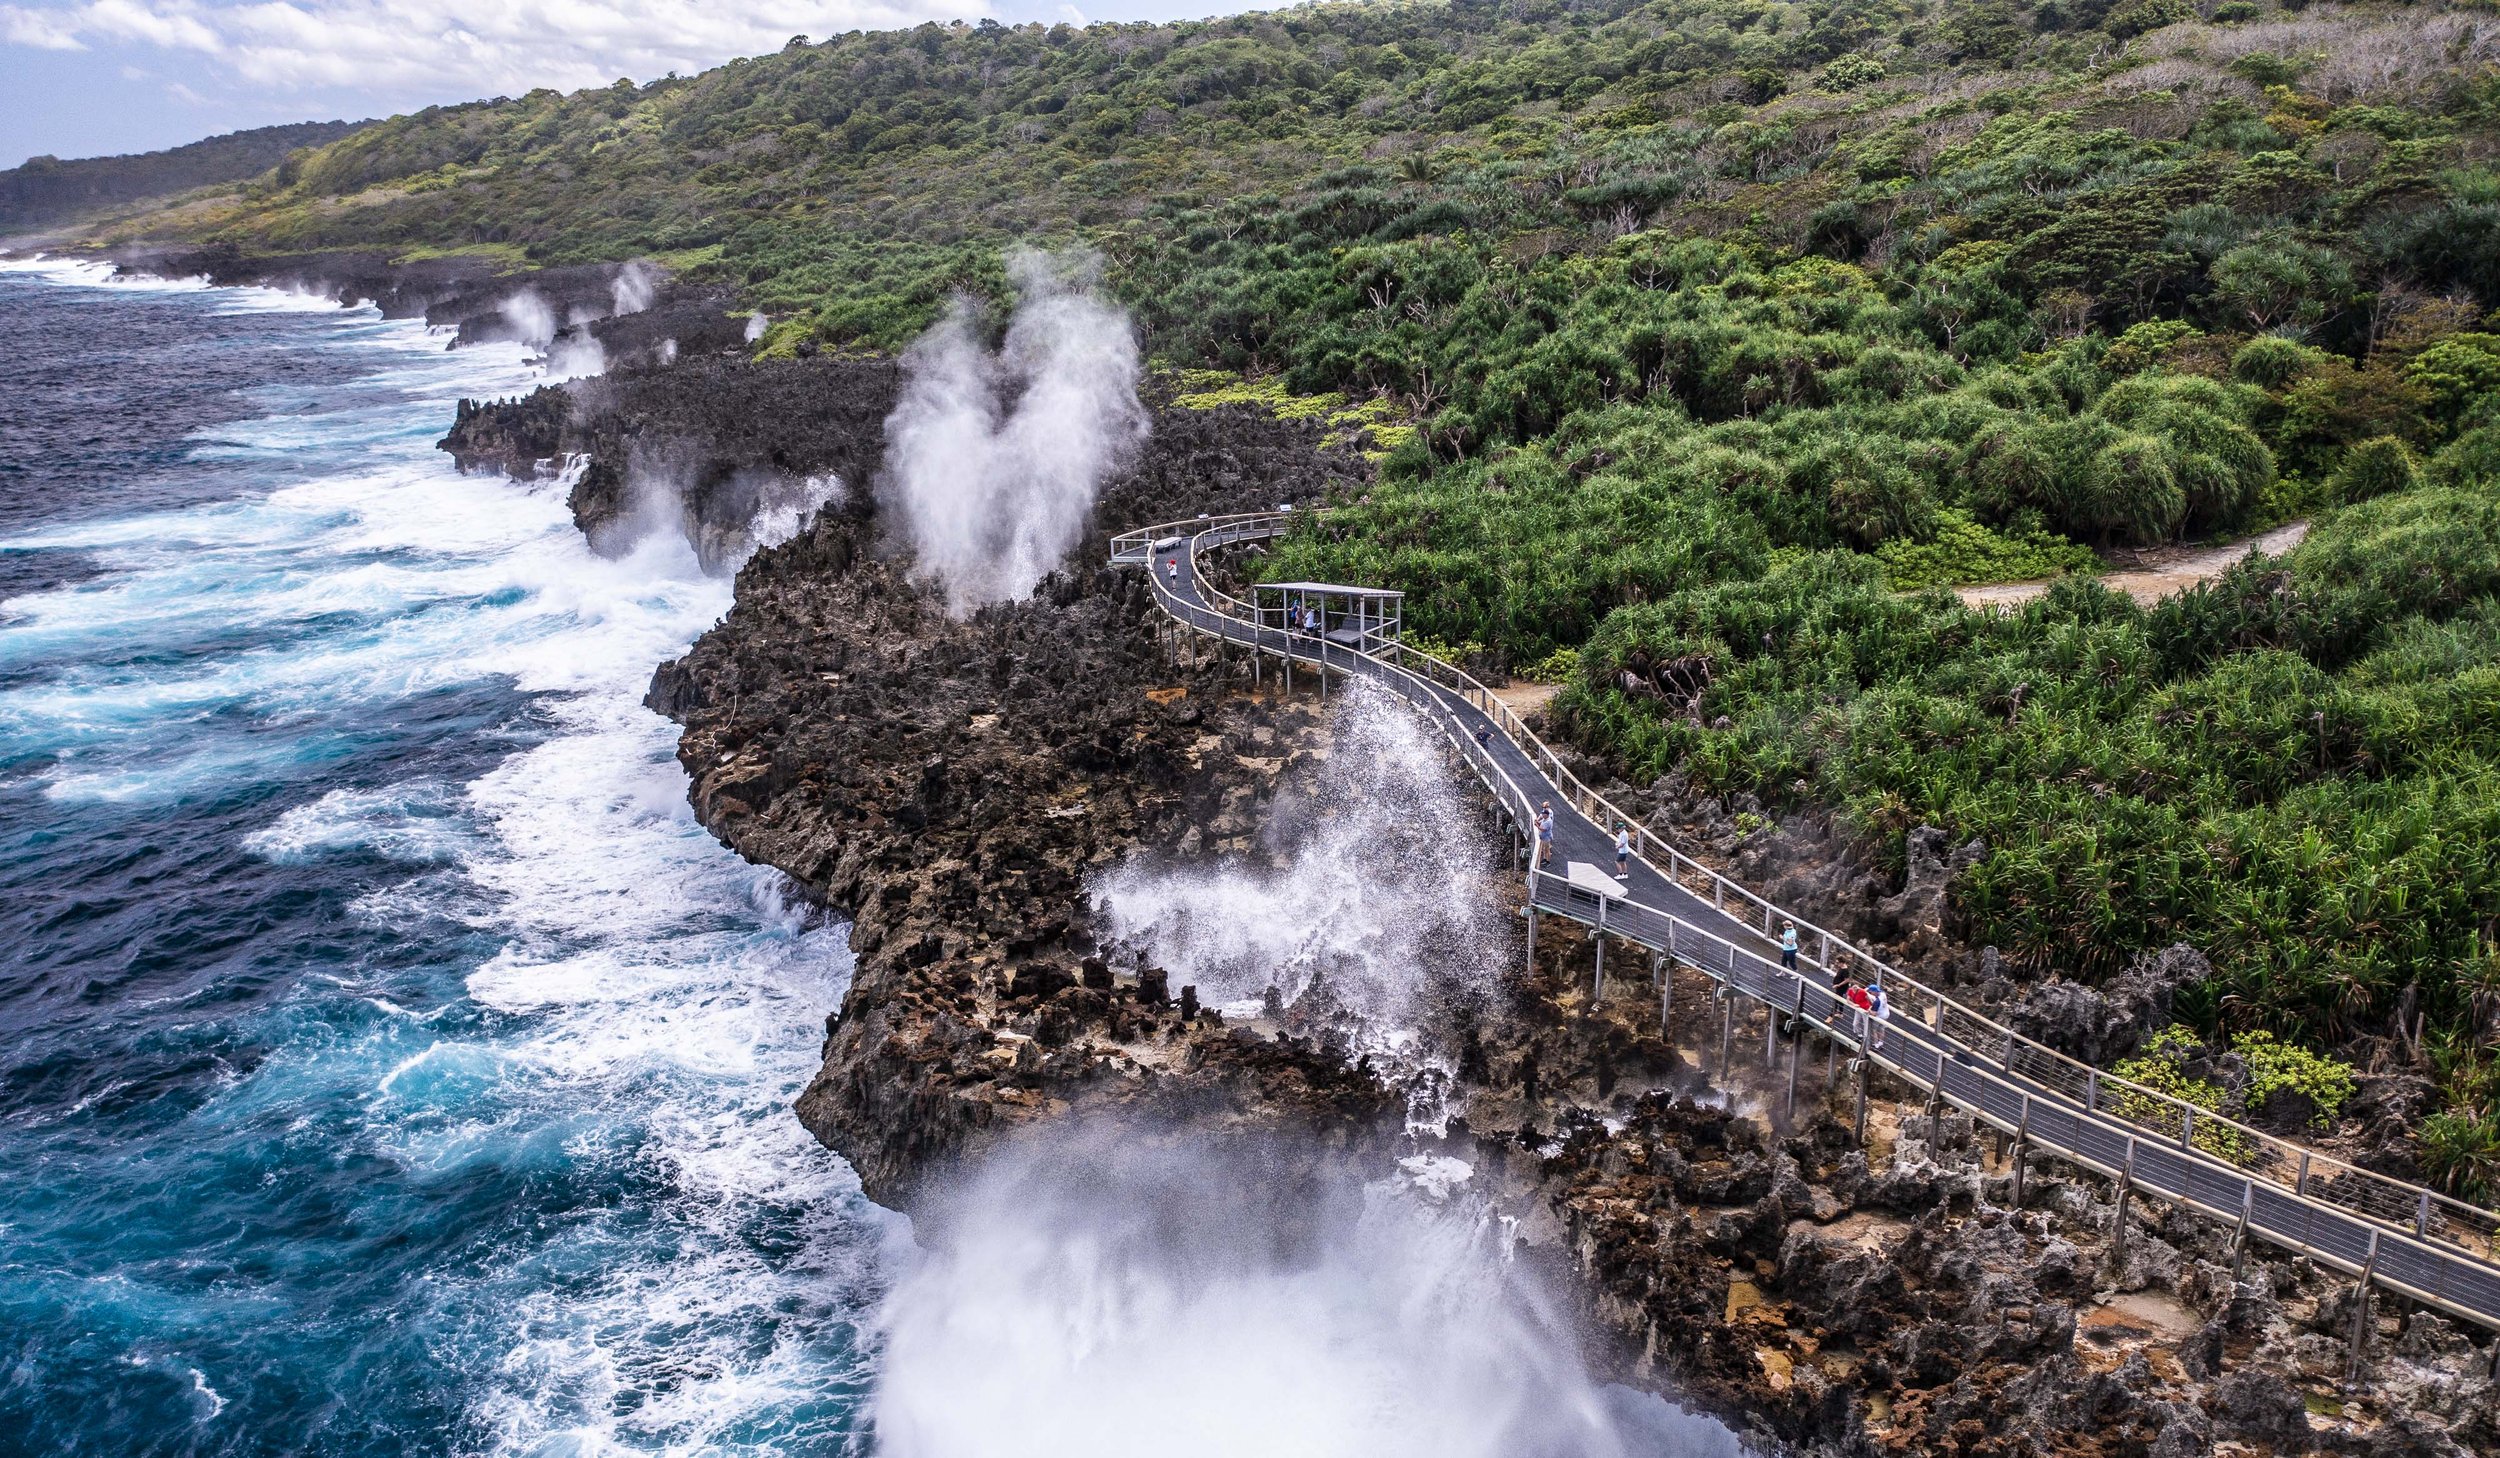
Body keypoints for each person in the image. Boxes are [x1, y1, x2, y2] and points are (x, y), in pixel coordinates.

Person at [1846, 980, 1873, 1049]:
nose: (1855, 988)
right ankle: (1860, 1035)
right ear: (1851, 987)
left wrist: (1870, 1008)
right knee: (1855, 1023)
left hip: (1865, 1009)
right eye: (1854, 987)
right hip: (1858, 1008)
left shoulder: (1862, 992)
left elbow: (1869, 1001)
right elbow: (1848, 1000)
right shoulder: (1850, 990)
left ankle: (1866, 1038)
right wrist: (1854, 1004)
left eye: (1857, 987)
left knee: (1865, 1023)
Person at [1867, 979, 1891, 1052]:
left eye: (1871, 992)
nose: (1870, 993)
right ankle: (1881, 1043)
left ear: (1874, 991)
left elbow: (1874, 1013)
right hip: (1886, 1013)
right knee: (1882, 1029)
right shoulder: (1883, 994)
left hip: (1880, 1016)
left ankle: (1876, 1045)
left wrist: (1869, 1010)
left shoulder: (1877, 1002)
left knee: (1874, 1030)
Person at [1535, 801, 1555, 868]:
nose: (1542, 815)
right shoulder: (1544, 819)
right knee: (1544, 849)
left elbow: (1543, 829)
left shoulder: (1548, 820)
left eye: (1544, 807)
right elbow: (1540, 820)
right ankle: (1545, 859)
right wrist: (1537, 821)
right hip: (1543, 837)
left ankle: (1548, 861)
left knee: (1547, 850)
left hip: (1546, 837)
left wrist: (1537, 826)